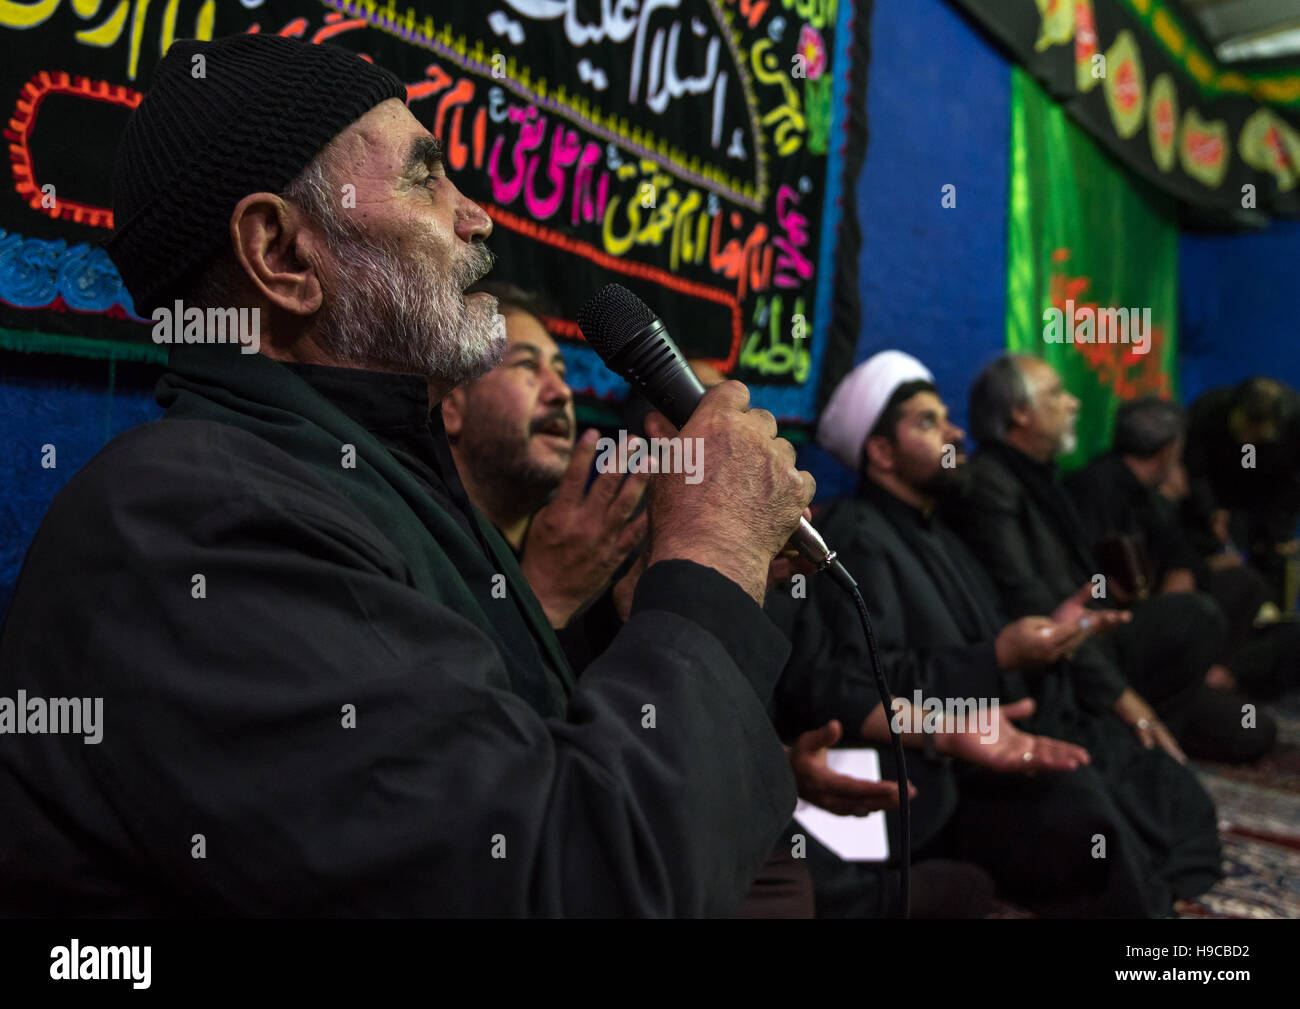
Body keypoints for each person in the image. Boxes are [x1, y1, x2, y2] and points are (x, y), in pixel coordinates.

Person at [0, 34, 816, 917]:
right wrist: (709, 564)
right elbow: (566, 878)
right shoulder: (185, 525)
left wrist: (666, 614)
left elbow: (502, 746)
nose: (477, 216)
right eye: (427, 177)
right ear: (281, 254)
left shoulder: (373, 476)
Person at [769, 352, 1221, 917]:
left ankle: (1167, 896)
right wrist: (997, 655)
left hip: (1013, 723)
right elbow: (863, 680)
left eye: (947, 417)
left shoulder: (940, 527)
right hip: (953, 769)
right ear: (881, 453)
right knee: (1084, 811)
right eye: (928, 422)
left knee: (1167, 785)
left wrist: (1052, 631)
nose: (954, 432)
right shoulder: (856, 536)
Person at [951, 355, 1274, 764]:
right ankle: (1133, 740)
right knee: (1196, 617)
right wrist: (1124, 700)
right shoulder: (992, 486)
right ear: (1020, 414)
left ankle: (1155, 726)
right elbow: (1033, 604)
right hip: (1070, 665)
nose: (1073, 403)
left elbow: (1109, 568)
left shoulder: (1041, 478)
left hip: (1104, 643)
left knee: (1253, 729)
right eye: (1056, 393)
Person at [442, 280, 647, 635]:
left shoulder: (592, 566)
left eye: (561, 372)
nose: (561, 393)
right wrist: (546, 598)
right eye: (526, 365)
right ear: (451, 405)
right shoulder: (421, 549)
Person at [1067, 397, 1300, 701]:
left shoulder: (1145, 494)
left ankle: (1214, 677)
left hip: (1156, 605)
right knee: (1199, 614)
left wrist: (1183, 569)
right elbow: (1090, 575)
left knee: (1244, 584)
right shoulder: (1096, 488)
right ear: (1169, 451)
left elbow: (1177, 547)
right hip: (1112, 629)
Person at [1184, 377, 1300, 608]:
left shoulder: (1294, 426)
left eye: (1257, 437)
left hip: (1268, 501)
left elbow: (1292, 485)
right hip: (1216, 497)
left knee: (1275, 561)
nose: (1248, 441)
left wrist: (1278, 532)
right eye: (1243, 432)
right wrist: (1210, 509)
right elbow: (1192, 468)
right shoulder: (1210, 410)